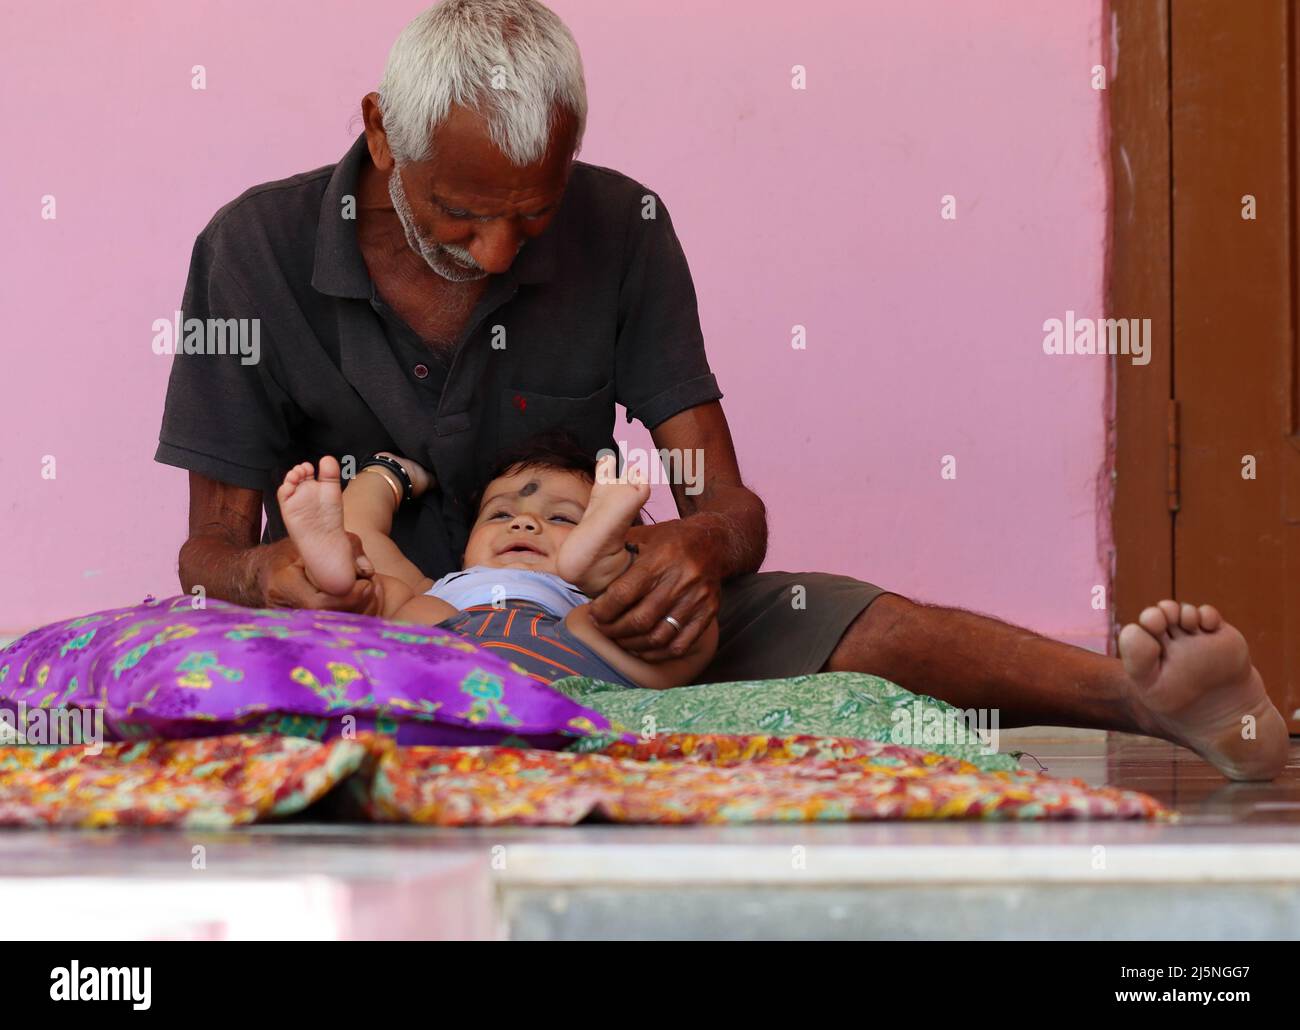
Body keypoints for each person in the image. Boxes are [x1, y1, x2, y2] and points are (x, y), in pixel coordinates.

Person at [156, 0, 1289, 780]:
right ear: (379, 133)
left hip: (590, 611)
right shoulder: (248, 249)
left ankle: (1150, 703)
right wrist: (293, 581)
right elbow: (208, 553)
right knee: (234, 660)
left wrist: (690, 558)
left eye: (534, 212)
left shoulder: (623, 226)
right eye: (460, 214)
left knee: (838, 610)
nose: (500, 250)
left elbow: (728, 504)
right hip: (395, 623)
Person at [278, 434, 716, 690]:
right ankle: (338, 578)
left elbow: (653, 607)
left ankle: (607, 565)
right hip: (443, 636)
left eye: (562, 517)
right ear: (467, 546)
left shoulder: (585, 605)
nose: (524, 522)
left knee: (661, 615)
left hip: (571, 646)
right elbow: (365, 529)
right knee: (385, 593)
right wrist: (387, 475)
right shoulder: (439, 588)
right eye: (501, 514)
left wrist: (612, 584)